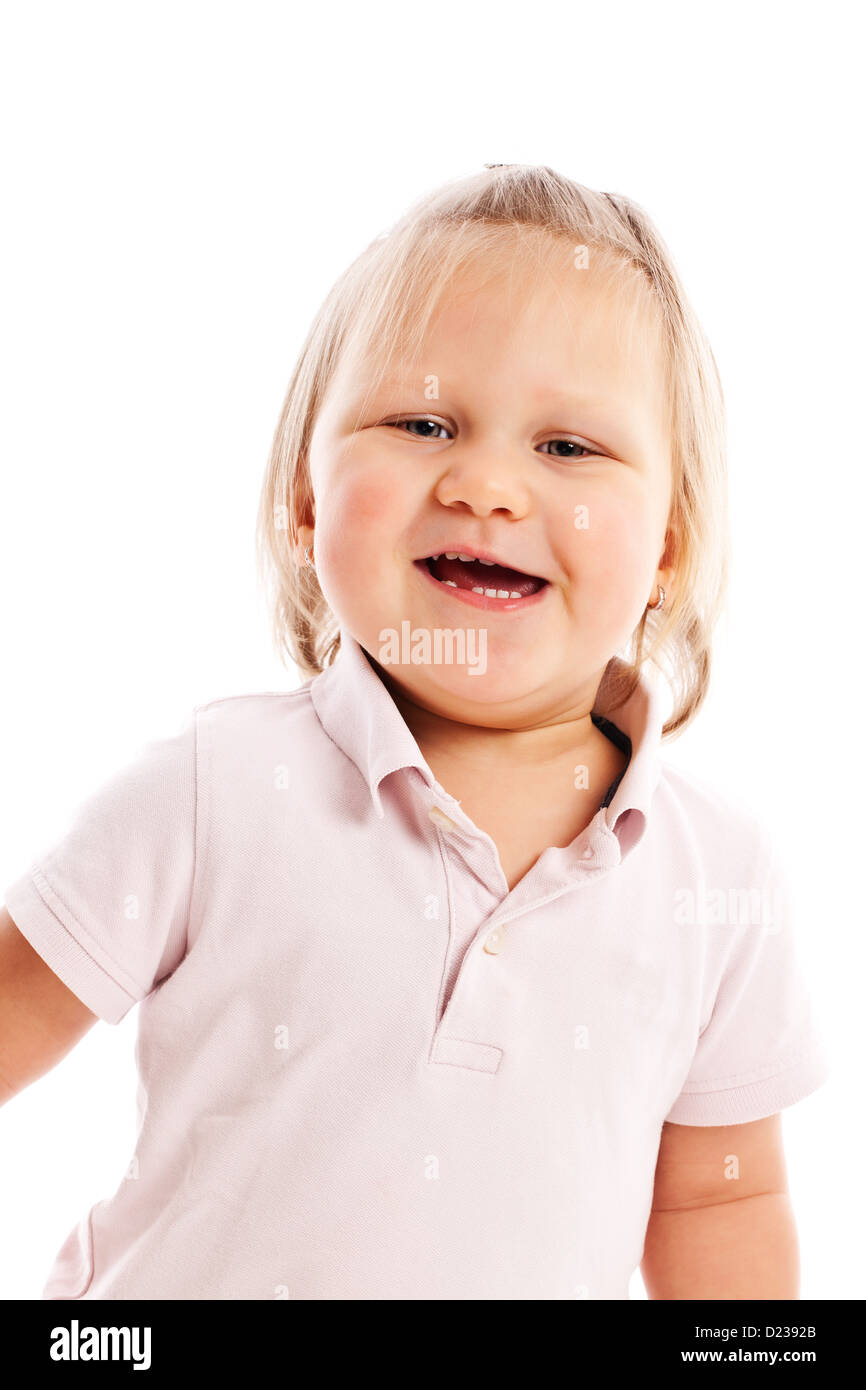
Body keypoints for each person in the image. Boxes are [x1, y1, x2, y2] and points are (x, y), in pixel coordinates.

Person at [0, 164, 829, 1299]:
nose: (486, 484)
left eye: (568, 447)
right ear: (305, 496)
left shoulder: (715, 873)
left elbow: (718, 1195)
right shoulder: (215, 789)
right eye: (424, 421)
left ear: (668, 549)